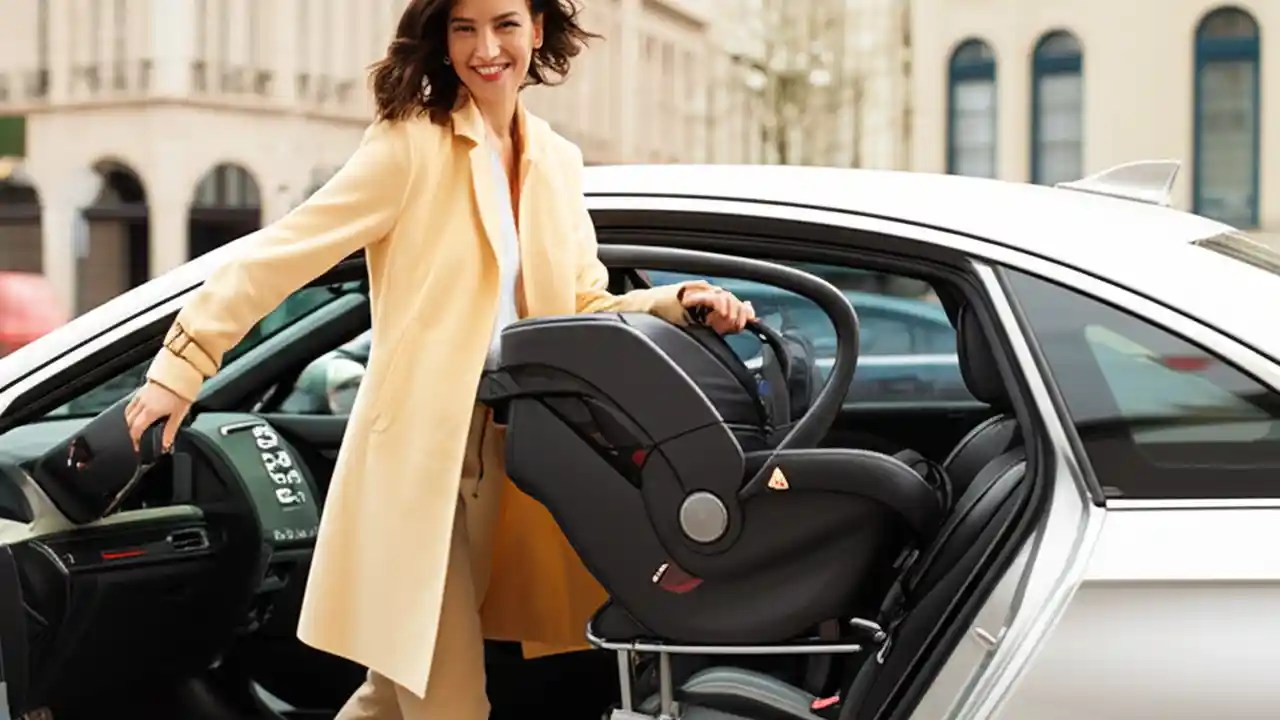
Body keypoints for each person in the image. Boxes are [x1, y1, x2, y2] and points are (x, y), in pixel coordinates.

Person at [124, 0, 755, 717]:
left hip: (519, 457)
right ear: (444, 38)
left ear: (538, 30)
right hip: (420, 468)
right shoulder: (409, 144)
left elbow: (578, 304)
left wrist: (676, 305)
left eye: (505, 25)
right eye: (465, 28)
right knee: (448, 704)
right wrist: (182, 365)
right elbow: (279, 256)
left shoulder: (555, 159)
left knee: (391, 698)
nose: (486, 48)